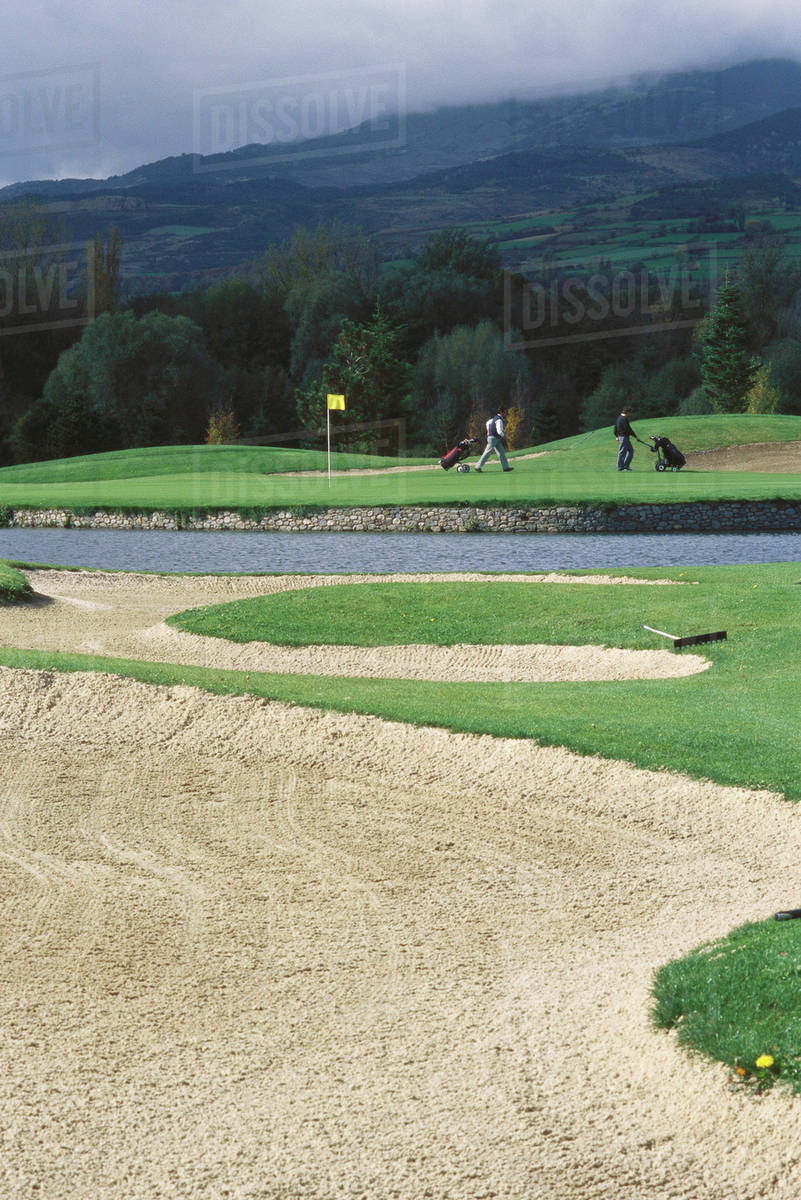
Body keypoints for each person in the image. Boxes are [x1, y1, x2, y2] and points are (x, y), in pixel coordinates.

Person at [474, 406, 514, 472]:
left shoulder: (495, 418)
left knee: (501, 452)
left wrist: (488, 431)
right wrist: (505, 437)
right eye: (505, 412)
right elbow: (499, 431)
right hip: (493, 438)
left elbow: (488, 423)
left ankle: (506, 468)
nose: (505, 413)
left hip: (495, 438)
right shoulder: (499, 420)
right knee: (487, 452)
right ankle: (477, 467)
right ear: (502, 412)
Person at [614, 406, 637, 471]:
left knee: (631, 451)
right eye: (630, 413)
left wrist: (616, 436)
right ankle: (619, 467)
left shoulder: (619, 418)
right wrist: (635, 436)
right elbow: (628, 429)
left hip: (623, 437)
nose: (631, 414)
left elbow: (615, 428)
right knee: (622, 452)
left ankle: (625, 466)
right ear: (627, 412)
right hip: (624, 437)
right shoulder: (624, 419)